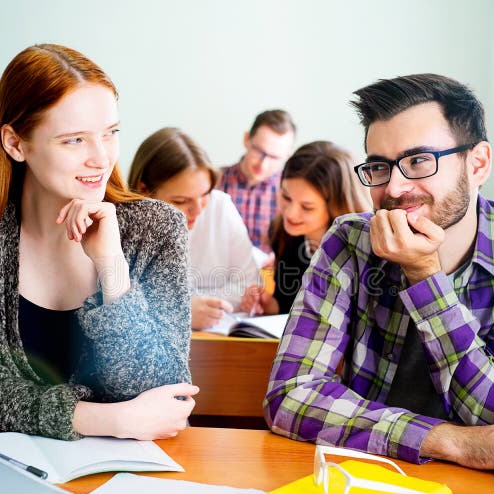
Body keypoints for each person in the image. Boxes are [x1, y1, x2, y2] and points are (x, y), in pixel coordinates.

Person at [264, 74, 494, 484]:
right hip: (364, 474)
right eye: (380, 166)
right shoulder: (350, 239)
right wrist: (450, 441)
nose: (394, 188)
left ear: (478, 164)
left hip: (481, 488)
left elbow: (491, 412)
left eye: (418, 161)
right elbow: (290, 396)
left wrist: (424, 273)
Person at [0, 44, 197, 442]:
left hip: (135, 472)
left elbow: (166, 392)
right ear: (15, 143)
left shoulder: (157, 229)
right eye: (74, 140)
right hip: (14, 468)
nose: (101, 158)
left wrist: (112, 269)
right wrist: (105, 419)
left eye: (110, 133)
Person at [127, 127, 260, 330]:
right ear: (145, 191)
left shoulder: (221, 206)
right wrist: (181, 311)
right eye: (181, 201)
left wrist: (183, 304)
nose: (198, 210)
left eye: (205, 194)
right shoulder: (124, 226)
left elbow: (248, 287)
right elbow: (122, 307)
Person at [241, 141, 372, 315]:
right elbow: (287, 305)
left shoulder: (360, 249)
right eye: (286, 197)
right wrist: (267, 305)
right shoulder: (283, 233)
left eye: (307, 207)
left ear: (336, 207)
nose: (290, 214)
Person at [217, 109, 296, 254]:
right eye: (259, 151)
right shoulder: (214, 182)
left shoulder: (292, 195)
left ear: (287, 157)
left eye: (274, 158)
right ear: (246, 139)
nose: (263, 164)